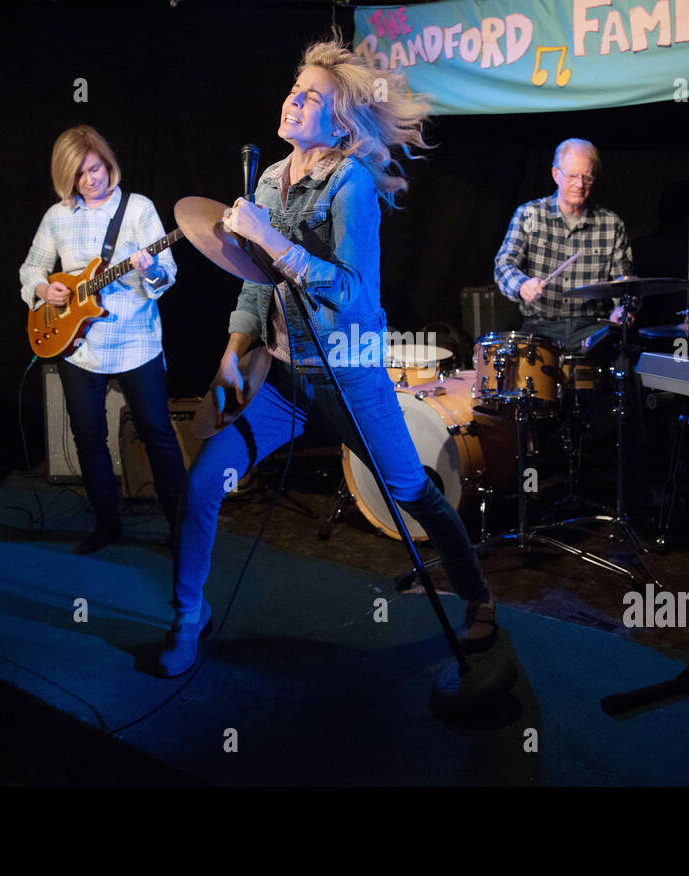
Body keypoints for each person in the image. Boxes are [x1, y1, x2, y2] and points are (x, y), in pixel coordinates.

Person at [161, 37, 496, 676]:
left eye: (311, 96)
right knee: (204, 481)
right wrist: (234, 352)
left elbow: (357, 295)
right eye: (295, 88)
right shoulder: (268, 181)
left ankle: (478, 596)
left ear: (338, 120)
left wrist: (271, 241)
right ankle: (186, 614)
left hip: (351, 376)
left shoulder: (352, 185)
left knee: (411, 493)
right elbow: (255, 281)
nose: (294, 100)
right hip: (283, 380)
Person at [20, 125, 187, 554]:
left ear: (107, 163)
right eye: (79, 175)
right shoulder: (57, 216)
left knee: (158, 434)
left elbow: (167, 272)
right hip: (79, 348)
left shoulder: (139, 209)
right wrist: (42, 290)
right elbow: (31, 269)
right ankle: (107, 524)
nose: (90, 180)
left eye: (94, 168)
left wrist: (149, 268)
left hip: (137, 344)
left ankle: (183, 528)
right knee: (88, 437)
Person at [493, 138, 634, 352]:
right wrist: (522, 285)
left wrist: (621, 309)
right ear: (555, 174)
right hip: (540, 328)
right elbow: (503, 265)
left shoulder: (611, 224)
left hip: (591, 328)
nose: (580, 184)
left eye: (587, 177)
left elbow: (625, 284)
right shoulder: (529, 214)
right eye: (573, 176)